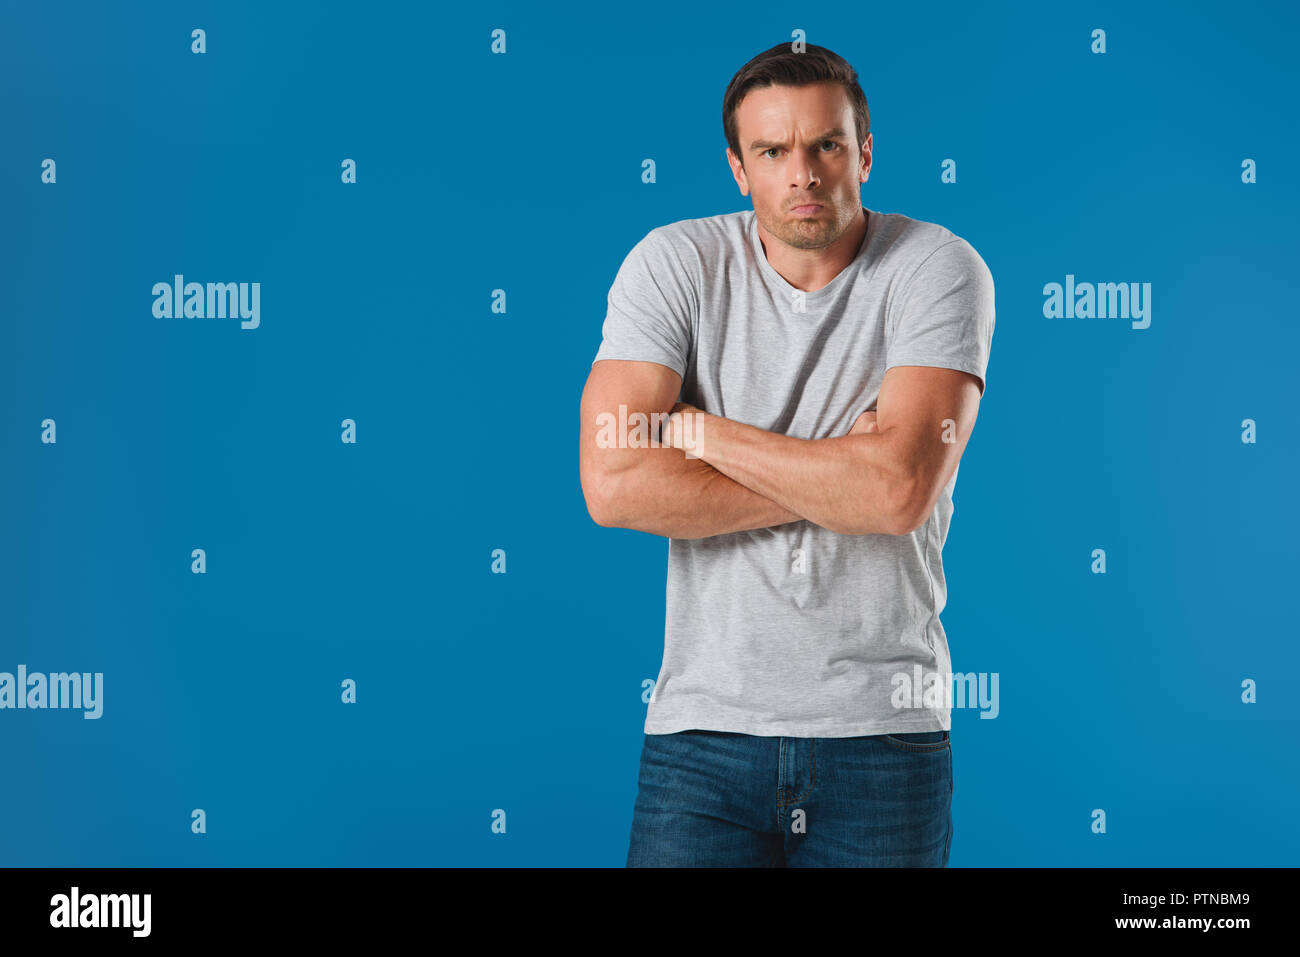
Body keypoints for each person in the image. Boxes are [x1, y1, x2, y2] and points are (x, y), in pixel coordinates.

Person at [578, 41, 995, 867]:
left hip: (883, 732)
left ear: (864, 153)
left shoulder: (938, 269)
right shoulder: (675, 265)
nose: (801, 173)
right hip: (702, 733)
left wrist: (703, 434)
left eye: (825, 146)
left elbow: (898, 492)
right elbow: (613, 481)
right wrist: (844, 467)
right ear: (738, 167)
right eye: (773, 151)